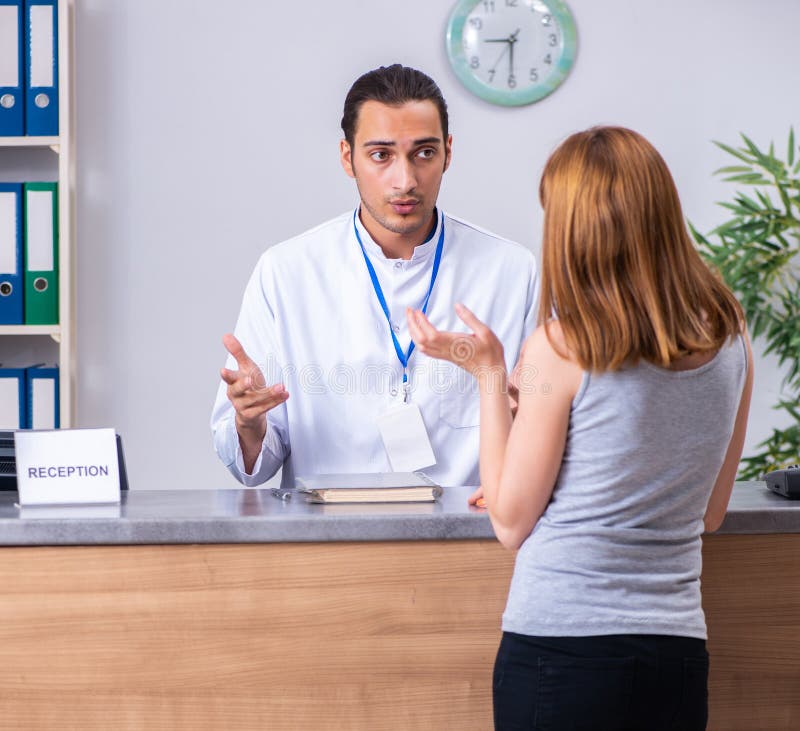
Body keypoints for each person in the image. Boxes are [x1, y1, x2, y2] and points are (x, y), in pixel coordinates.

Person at [407, 126, 753, 730]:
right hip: (675, 653)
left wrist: (489, 372)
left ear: (575, 226)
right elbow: (710, 512)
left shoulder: (562, 346)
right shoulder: (730, 334)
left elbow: (511, 522)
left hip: (560, 651)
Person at [211, 64, 538, 489]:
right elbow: (251, 466)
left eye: (424, 153)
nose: (405, 181)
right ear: (348, 157)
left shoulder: (512, 270)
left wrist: (525, 413)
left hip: (467, 541)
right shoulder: (288, 271)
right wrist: (249, 423)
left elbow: (541, 438)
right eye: (381, 155)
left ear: (448, 152)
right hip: (328, 540)